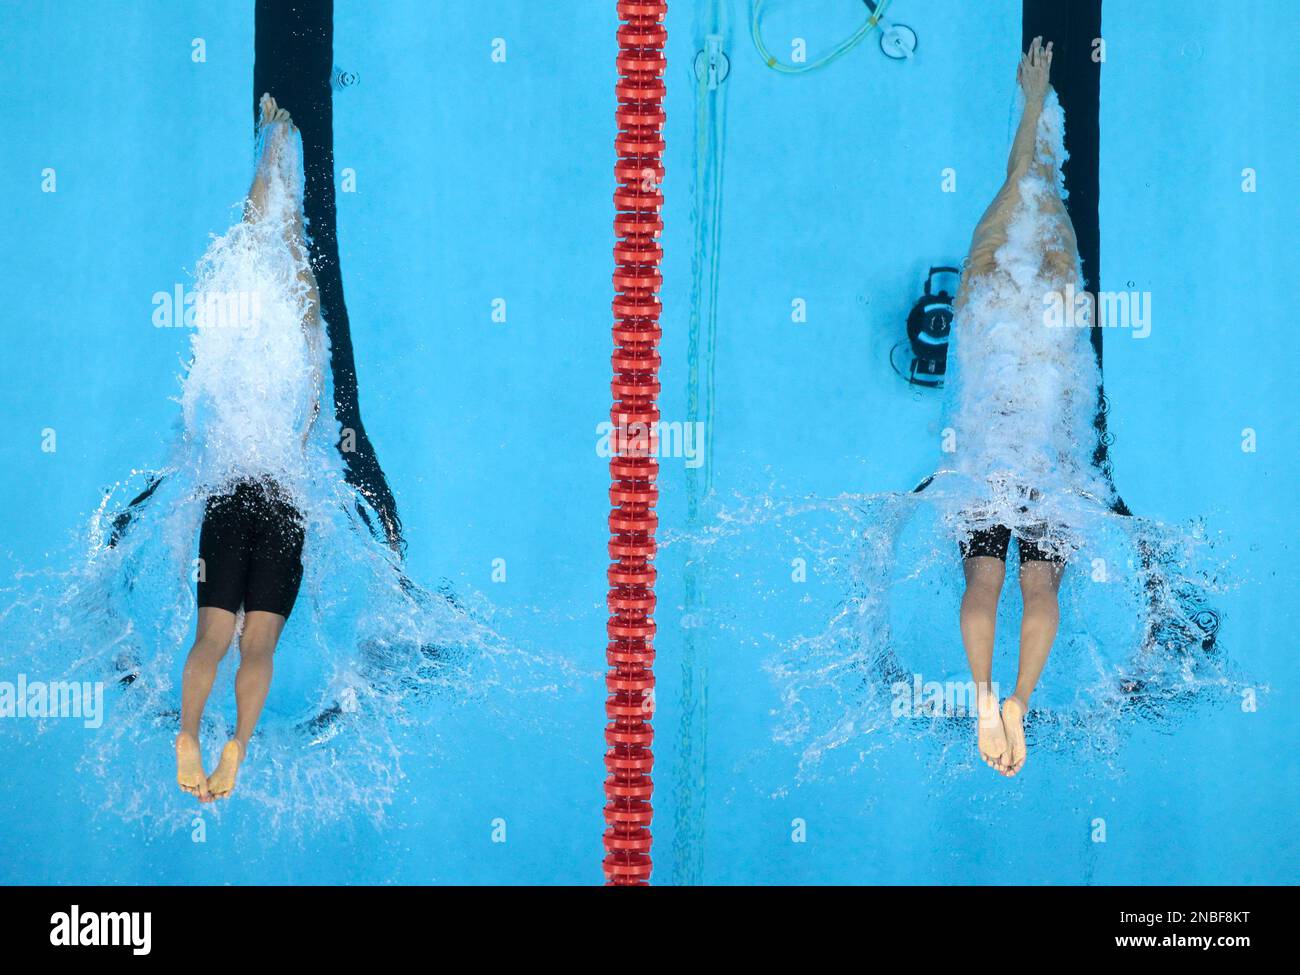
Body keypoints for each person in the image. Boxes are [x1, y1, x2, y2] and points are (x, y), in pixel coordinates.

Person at [175, 94, 325, 801]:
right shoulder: (305, 340)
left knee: (212, 636)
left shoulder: (227, 335)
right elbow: (292, 249)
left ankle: (188, 730)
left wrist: (270, 146)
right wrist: (290, 169)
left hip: (229, 493)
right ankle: (237, 741)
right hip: (283, 500)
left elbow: (250, 229)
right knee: (257, 643)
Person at [950, 38, 1090, 778]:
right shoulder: (1060, 266)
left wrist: (1031, 101)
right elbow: (1036, 185)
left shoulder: (986, 266)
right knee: (1039, 584)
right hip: (1045, 458)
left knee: (985, 582)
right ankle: (1016, 702)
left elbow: (1019, 176)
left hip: (989, 451)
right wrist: (1041, 106)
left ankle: (984, 696)